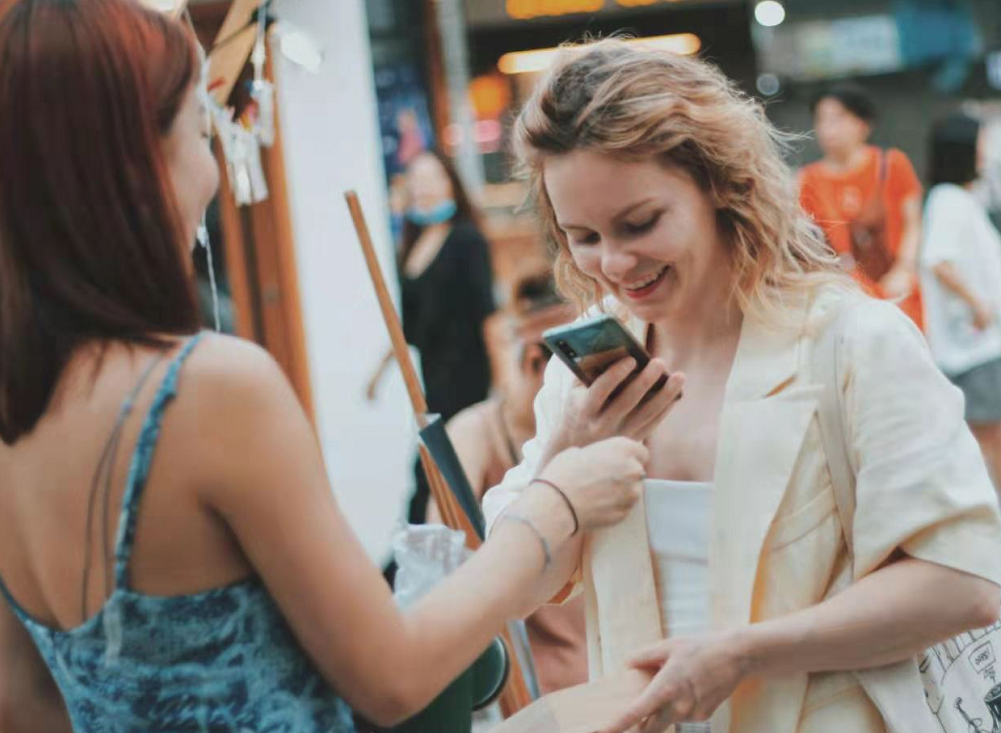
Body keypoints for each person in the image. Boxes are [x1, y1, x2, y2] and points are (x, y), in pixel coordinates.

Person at [0, 4, 650, 731]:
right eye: (197, 130)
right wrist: (557, 503)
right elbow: (393, 674)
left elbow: (23, 703)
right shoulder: (206, 389)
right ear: (134, 165)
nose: (212, 171)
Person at [483, 39, 1001, 733]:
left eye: (639, 223)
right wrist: (568, 453)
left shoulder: (850, 340)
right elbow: (518, 585)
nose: (611, 261)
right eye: (580, 236)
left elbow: (962, 583)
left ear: (718, 185)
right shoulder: (590, 367)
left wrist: (743, 653)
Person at [434, 270, 588, 695]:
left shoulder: (589, 419)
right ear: (530, 361)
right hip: (523, 673)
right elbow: (444, 542)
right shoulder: (475, 430)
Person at [367, 148, 497, 529]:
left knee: (446, 468)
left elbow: (489, 314)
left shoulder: (467, 240)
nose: (423, 188)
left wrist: (505, 380)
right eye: (416, 181)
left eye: (432, 178)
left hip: (468, 374)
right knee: (431, 468)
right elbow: (405, 326)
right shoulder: (411, 248)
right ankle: (435, 552)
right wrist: (379, 373)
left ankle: (450, 549)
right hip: (433, 379)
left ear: (450, 184)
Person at [799, 83, 925, 329]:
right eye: (821, 119)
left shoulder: (892, 163)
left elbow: (913, 223)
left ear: (863, 124)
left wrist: (905, 269)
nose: (828, 129)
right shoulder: (808, 180)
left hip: (899, 289)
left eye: (839, 118)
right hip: (848, 301)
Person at [920, 113, 1001, 490]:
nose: (985, 153)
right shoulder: (949, 199)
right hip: (974, 350)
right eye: (981, 144)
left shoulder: (958, 198)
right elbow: (939, 260)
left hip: (978, 347)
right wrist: (979, 305)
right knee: (989, 441)